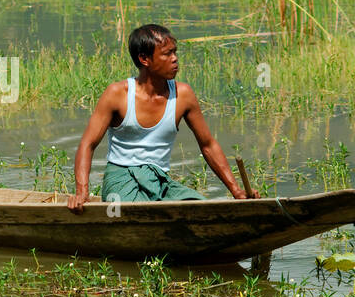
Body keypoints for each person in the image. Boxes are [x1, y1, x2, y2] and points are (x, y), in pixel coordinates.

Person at [67, 23, 258, 211]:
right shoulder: (118, 94)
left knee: (200, 208)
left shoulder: (183, 95)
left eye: (175, 52)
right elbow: (88, 144)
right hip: (121, 181)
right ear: (144, 59)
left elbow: (207, 144)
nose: (175, 59)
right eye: (167, 54)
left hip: (160, 181)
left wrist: (236, 190)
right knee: (138, 214)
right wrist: (82, 192)